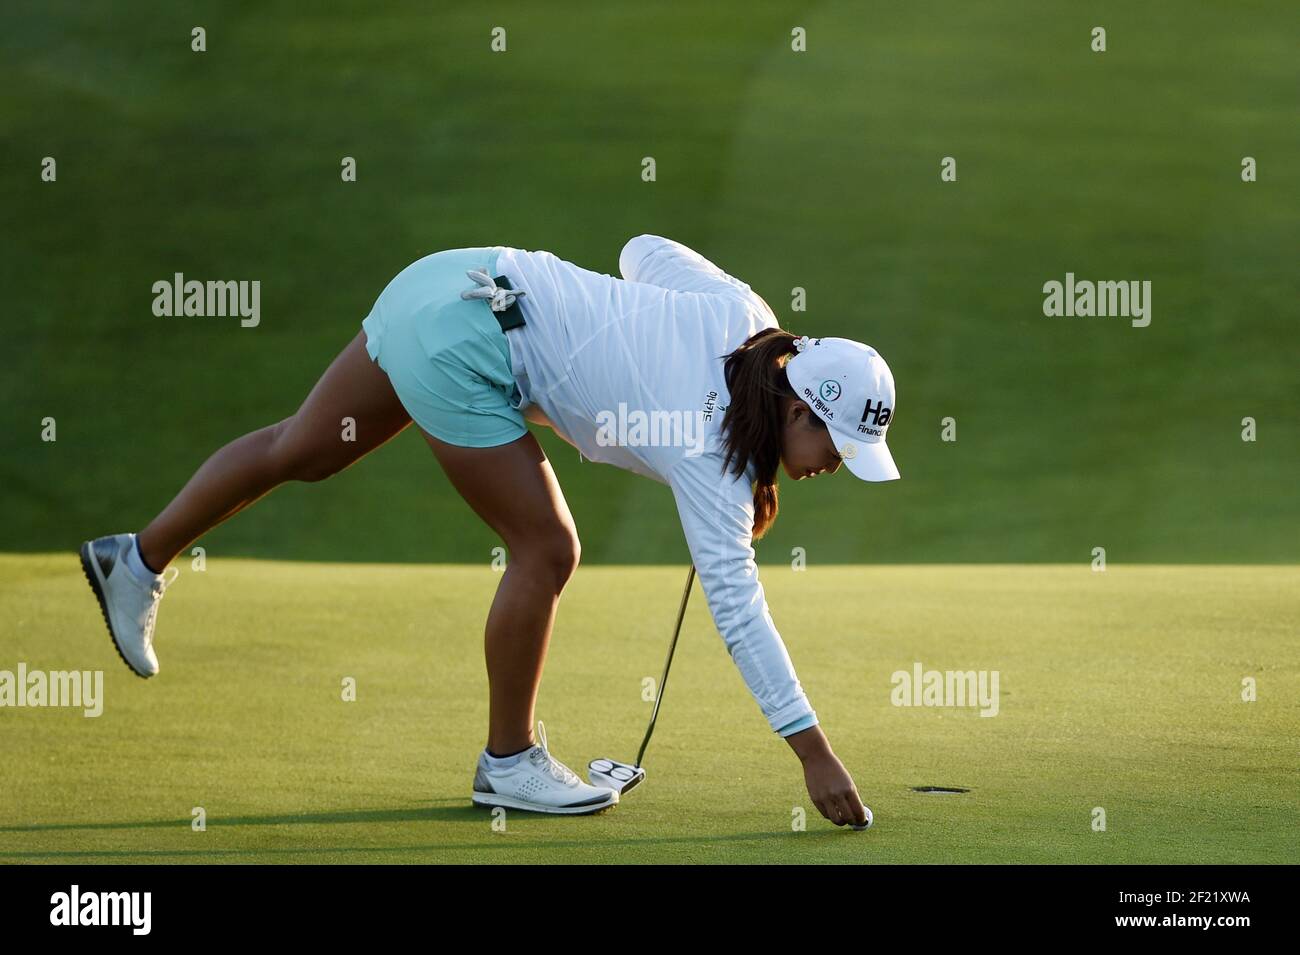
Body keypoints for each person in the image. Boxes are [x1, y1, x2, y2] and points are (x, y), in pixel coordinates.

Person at [80, 235, 899, 825]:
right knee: (548, 548)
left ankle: (135, 557)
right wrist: (812, 753)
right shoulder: (708, 454)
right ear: (797, 406)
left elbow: (642, 248)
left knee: (304, 447)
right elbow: (738, 608)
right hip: (467, 350)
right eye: (836, 443)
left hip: (453, 279)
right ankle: (509, 763)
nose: (836, 465)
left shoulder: (745, 316)